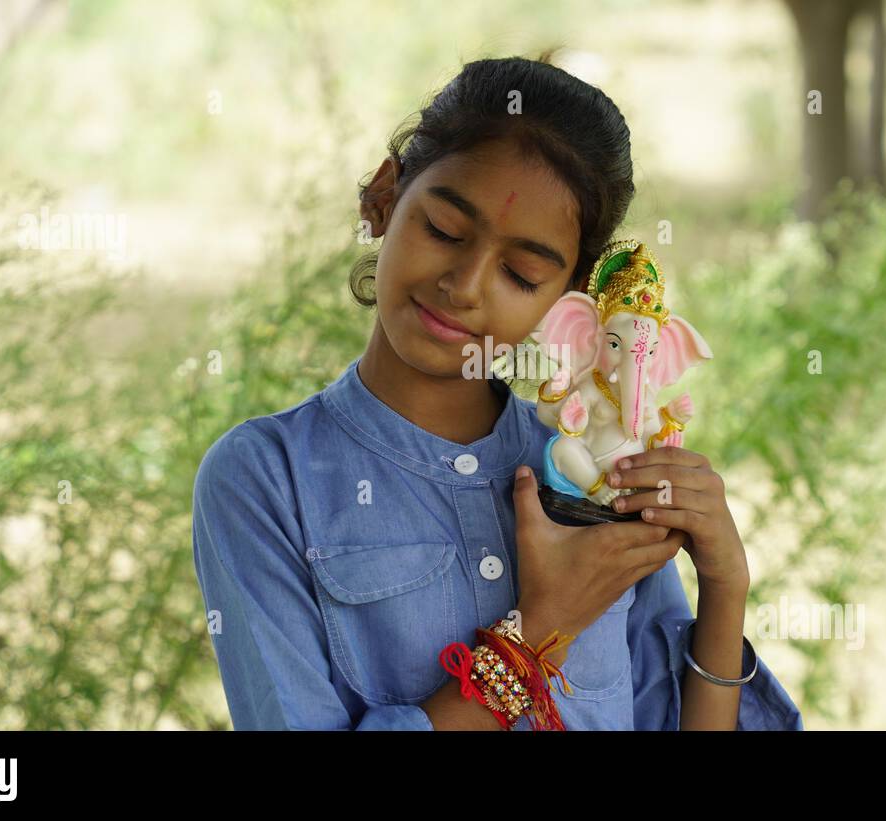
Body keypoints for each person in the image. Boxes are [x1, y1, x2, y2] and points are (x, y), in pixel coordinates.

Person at [191, 54, 804, 730]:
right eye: (445, 231)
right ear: (385, 197)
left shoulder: (598, 473)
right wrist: (538, 631)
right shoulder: (268, 480)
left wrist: (725, 586)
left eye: (520, 272)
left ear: (569, 302)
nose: (466, 284)